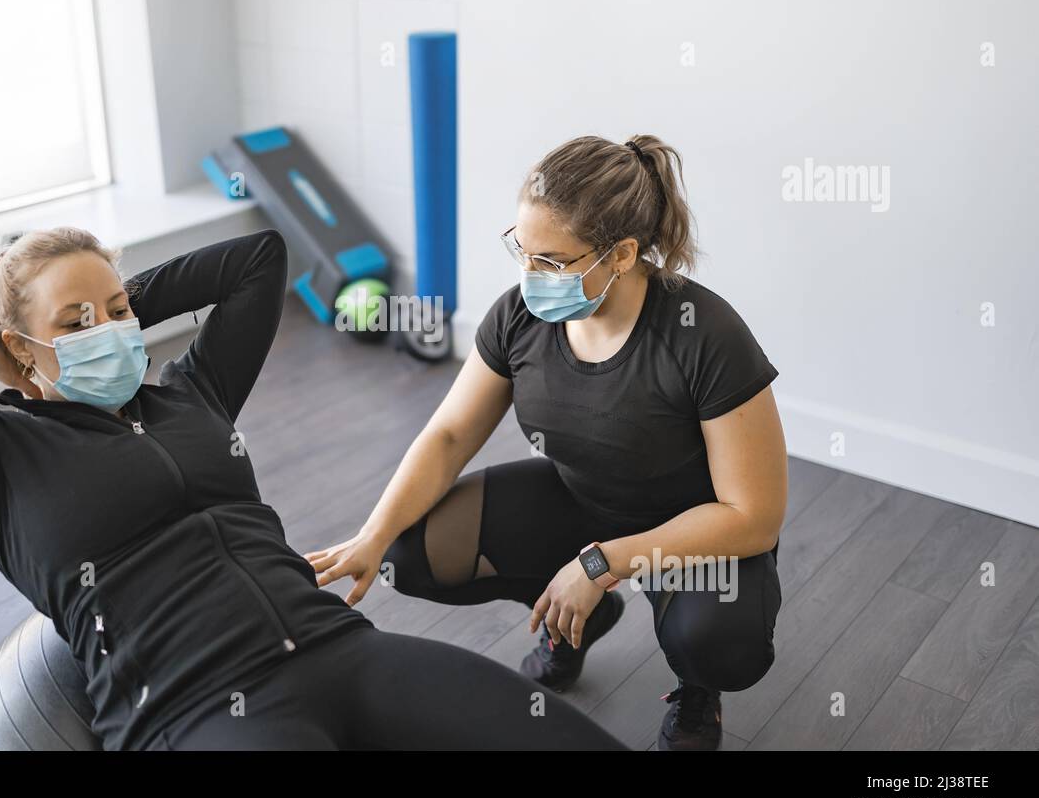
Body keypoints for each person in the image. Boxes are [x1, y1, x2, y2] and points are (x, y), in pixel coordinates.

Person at [0, 225, 626, 750]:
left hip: (344, 652)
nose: (109, 332)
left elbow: (257, 261)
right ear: (20, 347)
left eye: (119, 312)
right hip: (194, 707)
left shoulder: (190, 393)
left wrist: (103, 303)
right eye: (75, 324)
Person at [306, 135, 788, 751]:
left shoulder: (705, 335)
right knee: (407, 551)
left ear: (622, 254)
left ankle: (697, 694)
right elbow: (451, 433)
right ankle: (576, 619)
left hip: (694, 534)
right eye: (523, 252)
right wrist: (371, 534)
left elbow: (754, 516)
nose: (531, 277)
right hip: (581, 500)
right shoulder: (519, 318)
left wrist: (602, 563)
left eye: (552, 262)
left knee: (720, 645)